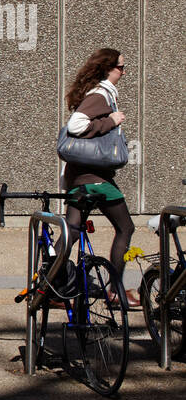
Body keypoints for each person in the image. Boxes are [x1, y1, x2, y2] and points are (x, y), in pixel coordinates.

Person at [61, 47, 138, 307]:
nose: (124, 72)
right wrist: (111, 122)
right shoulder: (101, 95)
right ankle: (115, 292)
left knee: (70, 231)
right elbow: (76, 125)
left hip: (78, 178)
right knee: (126, 228)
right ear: (107, 69)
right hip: (95, 178)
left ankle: (52, 285)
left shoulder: (98, 93)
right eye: (121, 67)